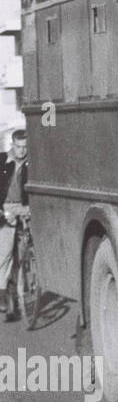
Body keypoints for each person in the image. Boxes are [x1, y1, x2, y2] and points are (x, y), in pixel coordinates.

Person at [0, 128, 30, 319]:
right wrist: (2, 213)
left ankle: (20, 295)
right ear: (12, 145)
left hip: (25, 209)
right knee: (5, 254)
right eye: (18, 147)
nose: (22, 151)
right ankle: (3, 294)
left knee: (23, 254)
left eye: (25, 147)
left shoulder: (30, 164)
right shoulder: (2, 161)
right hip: (6, 209)